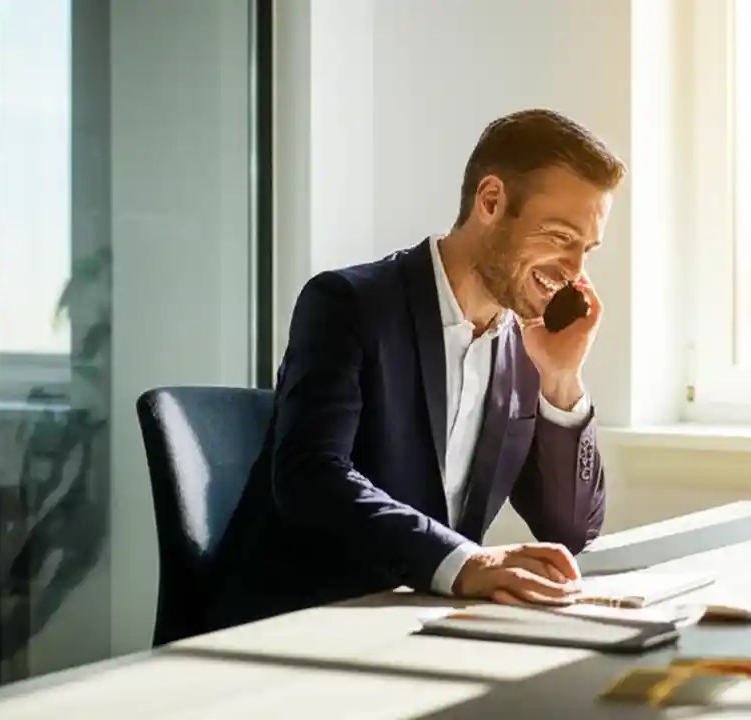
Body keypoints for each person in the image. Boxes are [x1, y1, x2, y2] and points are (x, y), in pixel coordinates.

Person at [209, 109, 626, 629]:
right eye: (560, 237)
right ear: (491, 201)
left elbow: (568, 531)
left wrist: (561, 380)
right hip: (297, 625)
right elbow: (310, 478)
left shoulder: (524, 346)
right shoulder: (348, 303)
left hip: (420, 625)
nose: (575, 272)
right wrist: (466, 562)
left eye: (586, 249)